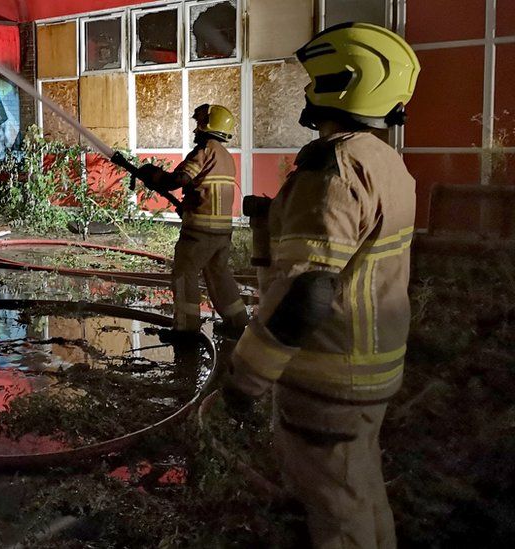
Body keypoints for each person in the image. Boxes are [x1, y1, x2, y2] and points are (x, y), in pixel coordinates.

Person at [226, 22, 421, 548]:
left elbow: (308, 292)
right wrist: (271, 227)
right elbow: (347, 255)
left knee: (337, 513)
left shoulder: (330, 171)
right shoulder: (384, 162)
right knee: (359, 491)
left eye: (313, 77)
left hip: (329, 377)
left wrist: (245, 380)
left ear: (338, 81)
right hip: (370, 370)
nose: (305, 89)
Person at [138, 104, 249, 342]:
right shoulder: (226, 157)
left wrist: (153, 174)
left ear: (206, 126)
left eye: (198, 124)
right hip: (222, 232)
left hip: (199, 232)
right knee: (219, 275)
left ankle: (186, 329)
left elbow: (179, 179)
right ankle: (237, 323)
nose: (195, 130)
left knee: (184, 274)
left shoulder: (204, 150)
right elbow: (205, 190)